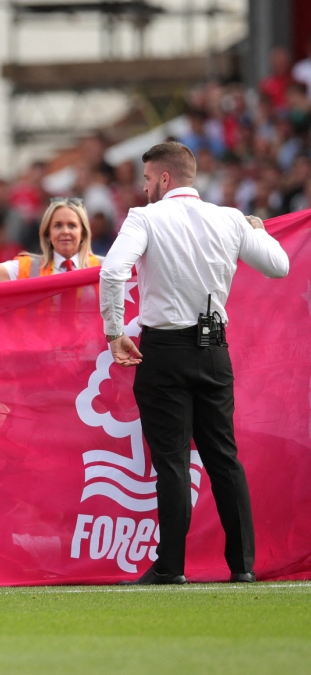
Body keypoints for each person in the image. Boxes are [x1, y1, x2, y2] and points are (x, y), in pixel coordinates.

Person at [100, 142, 289, 585]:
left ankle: (172, 566)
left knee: (172, 463)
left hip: (163, 351)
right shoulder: (229, 218)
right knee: (224, 457)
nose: (144, 187)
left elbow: (112, 272)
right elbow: (279, 266)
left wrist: (114, 333)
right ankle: (242, 565)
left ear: (164, 179)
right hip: (214, 351)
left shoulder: (145, 217)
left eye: (147, 179)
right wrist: (255, 231)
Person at [0, 198, 99, 283]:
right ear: (47, 233)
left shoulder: (105, 268)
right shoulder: (30, 267)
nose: (65, 231)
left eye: (72, 225)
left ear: (83, 232)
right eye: (57, 226)